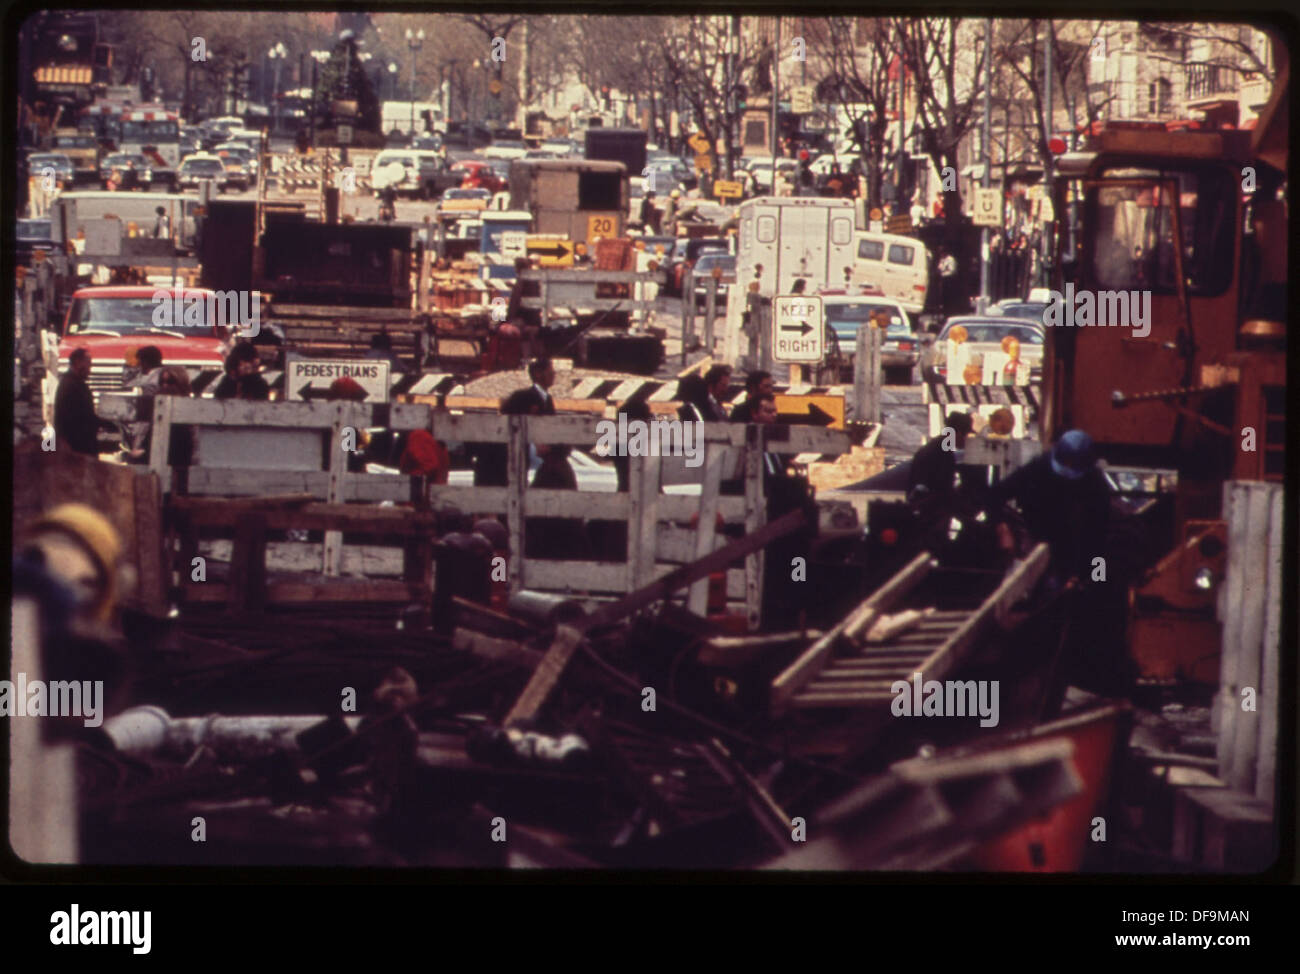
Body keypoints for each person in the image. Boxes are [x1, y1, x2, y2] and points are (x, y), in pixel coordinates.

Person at [984, 429, 1111, 592]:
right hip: (1036, 538)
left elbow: (1098, 537)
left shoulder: (1095, 484)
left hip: (1073, 544)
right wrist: (1002, 529)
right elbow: (994, 496)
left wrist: (1094, 578)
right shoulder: (1037, 468)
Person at [907, 410, 974, 503]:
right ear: (958, 433)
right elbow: (942, 487)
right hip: (928, 507)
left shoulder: (939, 446)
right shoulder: (941, 451)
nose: (967, 439)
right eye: (966, 435)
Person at [54, 348, 104, 456]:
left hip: (76, 446)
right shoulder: (72, 385)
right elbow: (84, 416)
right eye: (88, 365)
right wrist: (109, 424)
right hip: (76, 448)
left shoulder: (72, 382)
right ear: (77, 363)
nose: (90, 370)